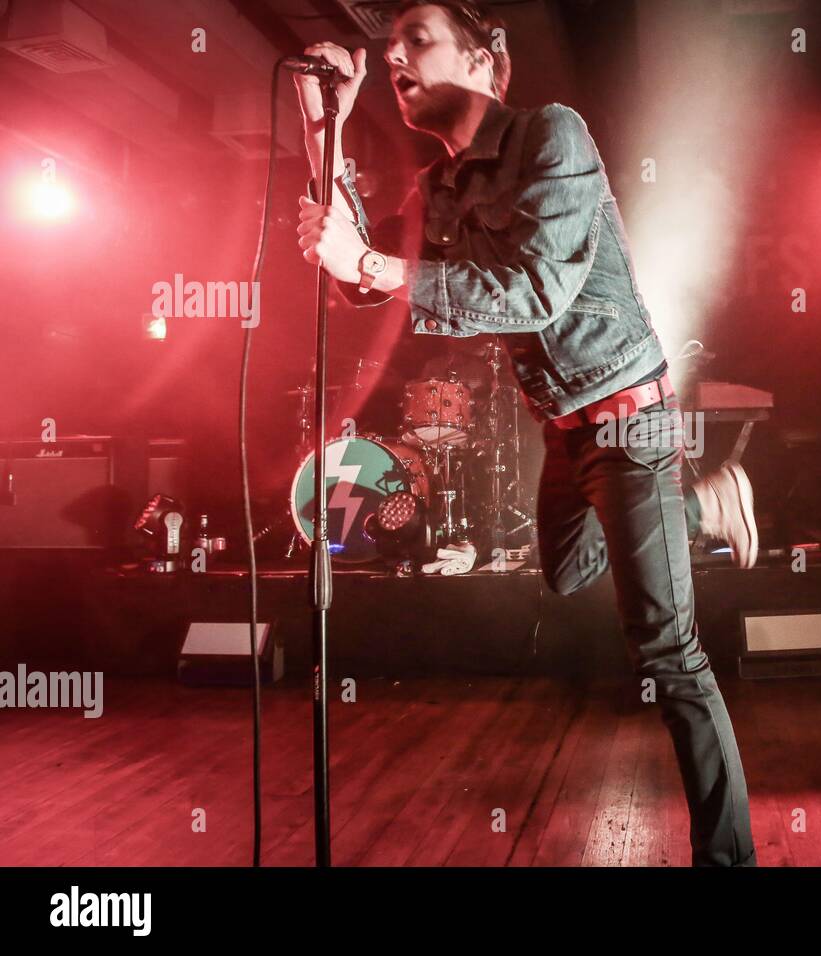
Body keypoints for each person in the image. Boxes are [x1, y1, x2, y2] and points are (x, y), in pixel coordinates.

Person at [293, 0, 757, 865]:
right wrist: (327, 129)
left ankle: (730, 860)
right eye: (390, 49)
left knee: (667, 651)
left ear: (483, 61)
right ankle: (699, 508)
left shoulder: (551, 136)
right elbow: (361, 277)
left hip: (629, 420)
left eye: (418, 40)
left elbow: (532, 293)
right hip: (564, 429)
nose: (394, 57)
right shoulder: (442, 186)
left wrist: (369, 263)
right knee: (568, 570)